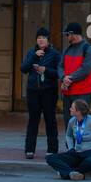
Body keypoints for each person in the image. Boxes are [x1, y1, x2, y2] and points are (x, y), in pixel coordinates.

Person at [46, 99, 91, 181]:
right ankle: (73, 173)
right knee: (50, 158)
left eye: (72, 108)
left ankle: (66, 173)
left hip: (90, 153)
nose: (70, 109)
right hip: (76, 153)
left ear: (78, 112)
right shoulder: (72, 121)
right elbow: (68, 135)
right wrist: (71, 148)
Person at [20, 26, 61, 159]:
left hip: (49, 91)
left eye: (43, 38)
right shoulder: (32, 52)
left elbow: (59, 73)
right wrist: (33, 56)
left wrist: (45, 70)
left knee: (50, 120)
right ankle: (29, 150)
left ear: (48, 40)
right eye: (39, 38)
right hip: (33, 91)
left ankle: (52, 149)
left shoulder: (54, 54)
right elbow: (23, 68)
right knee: (33, 120)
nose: (41, 40)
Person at [58, 22, 91, 115]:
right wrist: (63, 77)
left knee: (81, 122)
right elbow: (60, 66)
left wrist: (69, 79)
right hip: (68, 92)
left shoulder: (89, 49)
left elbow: (85, 69)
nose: (66, 37)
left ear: (73, 34)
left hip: (83, 93)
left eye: (67, 34)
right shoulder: (68, 50)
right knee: (68, 122)